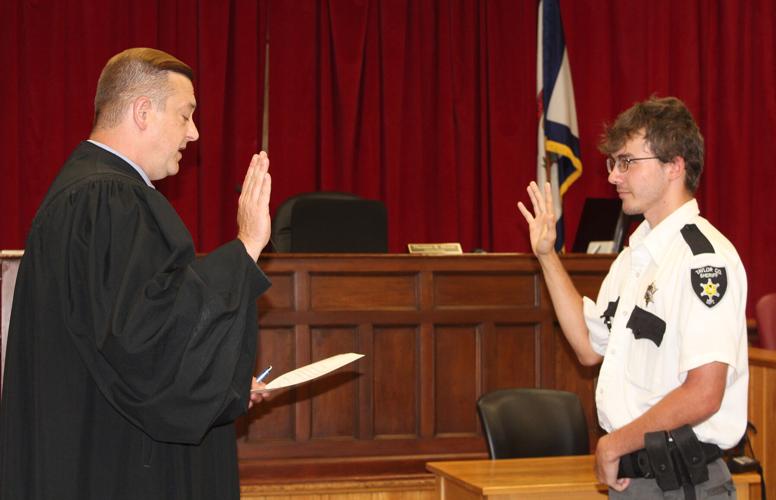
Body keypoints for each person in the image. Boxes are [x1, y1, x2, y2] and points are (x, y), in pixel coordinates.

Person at [0, 48, 273, 499]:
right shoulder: (109, 200)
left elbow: (127, 338)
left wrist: (217, 379)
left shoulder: (85, 192)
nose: (195, 133)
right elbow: (145, 338)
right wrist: (246, 246)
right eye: (186, 116)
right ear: (143, 111)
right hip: (118, 467)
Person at [518, 96, 748, 499]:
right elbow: (589, 348)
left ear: (674, 165)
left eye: (627, 162)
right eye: (613, 163)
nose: (613, 177)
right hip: (636, 481)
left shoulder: (703, 260)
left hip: (682, 483)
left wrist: (614, 442)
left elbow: (704, 392)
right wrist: (547, 255)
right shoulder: (634, 256)